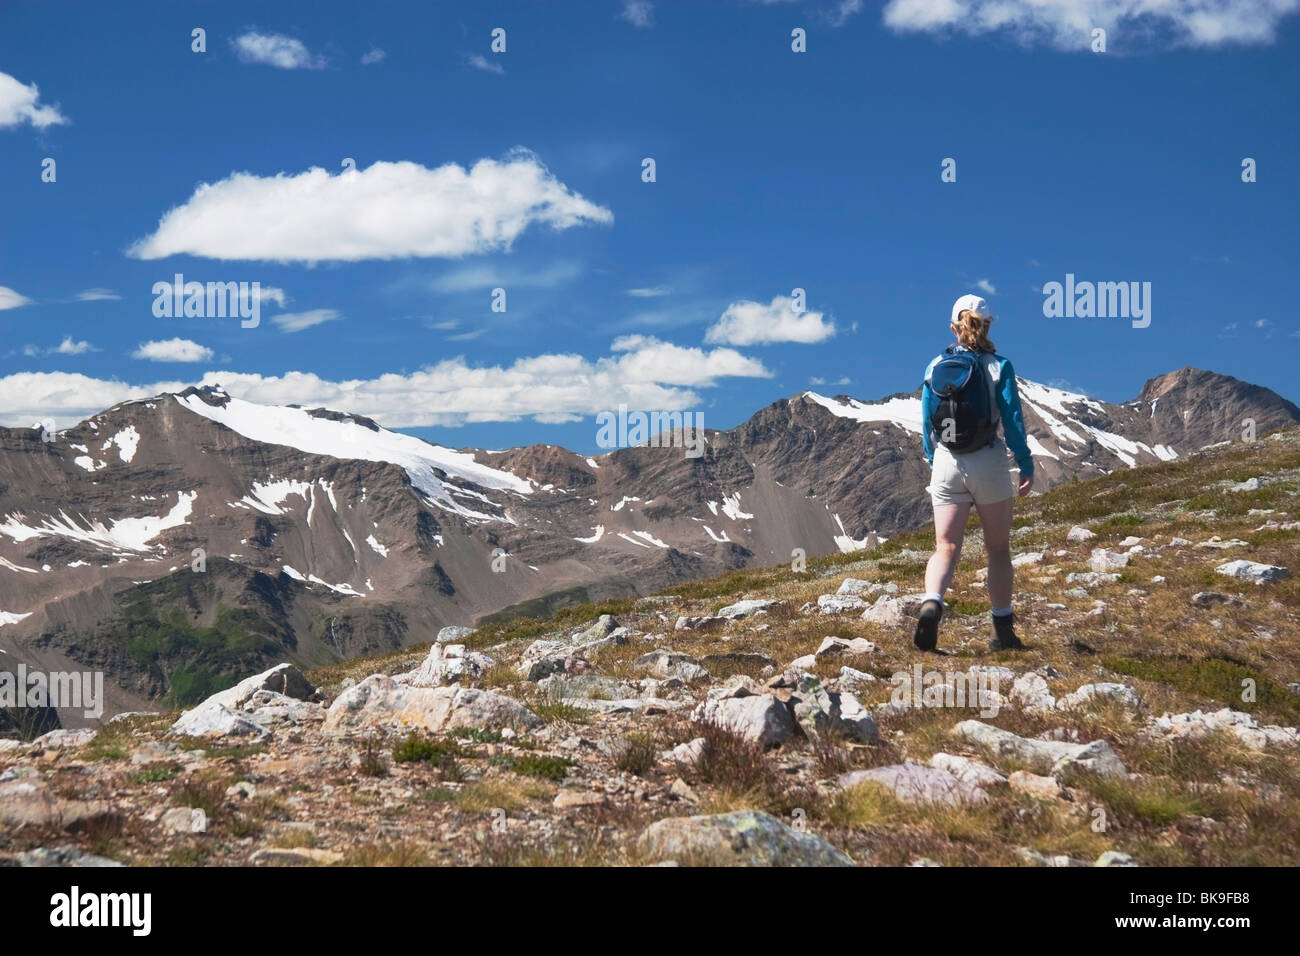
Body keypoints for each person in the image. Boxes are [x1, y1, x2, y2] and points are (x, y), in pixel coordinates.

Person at [915, 294, 1034, 653]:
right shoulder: (1000, 365)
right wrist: (1025, 462)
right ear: (987, 325)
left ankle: (932, 602)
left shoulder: (936, 364)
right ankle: (1003, 632)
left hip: (948, 460)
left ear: (954, 326)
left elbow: (926, 422)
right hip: (987, 461)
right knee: (997, 549)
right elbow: (1012, 420)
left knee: (946, 546)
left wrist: (933, 459)